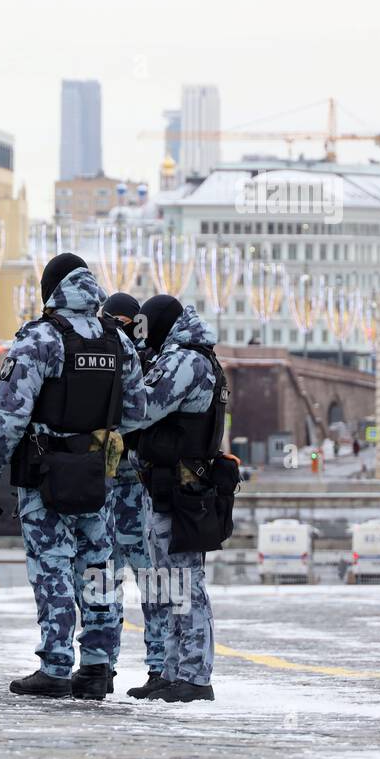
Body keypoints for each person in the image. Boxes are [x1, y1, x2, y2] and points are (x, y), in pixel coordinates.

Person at [0, 255, 146, 699]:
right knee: (98, 569)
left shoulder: (40, 338)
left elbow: (7, 417)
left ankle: (55, 666)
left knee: (51, 565)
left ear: (51, 289)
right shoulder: (118, 341)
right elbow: (137, 412)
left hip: (45, 473)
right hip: (98, 476)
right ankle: (97, 668)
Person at [132, 294, 229, 702]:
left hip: (182, 490)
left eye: (144, 328)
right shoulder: (186, 355)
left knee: (185, 585)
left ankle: (194, 676)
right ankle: (175, 673)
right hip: (173, 487)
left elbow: (142, 407)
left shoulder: (185, 360)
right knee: (170, 585)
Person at [76, 292, 170, 698]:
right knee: (99, 584)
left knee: (156, 588)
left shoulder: (148, 364)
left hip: (139, 492)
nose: (120, 327)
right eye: (112, 320)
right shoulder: (105, 359)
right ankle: (101, 665)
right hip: (102, 490)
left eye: (126, 321)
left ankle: (160, 668)